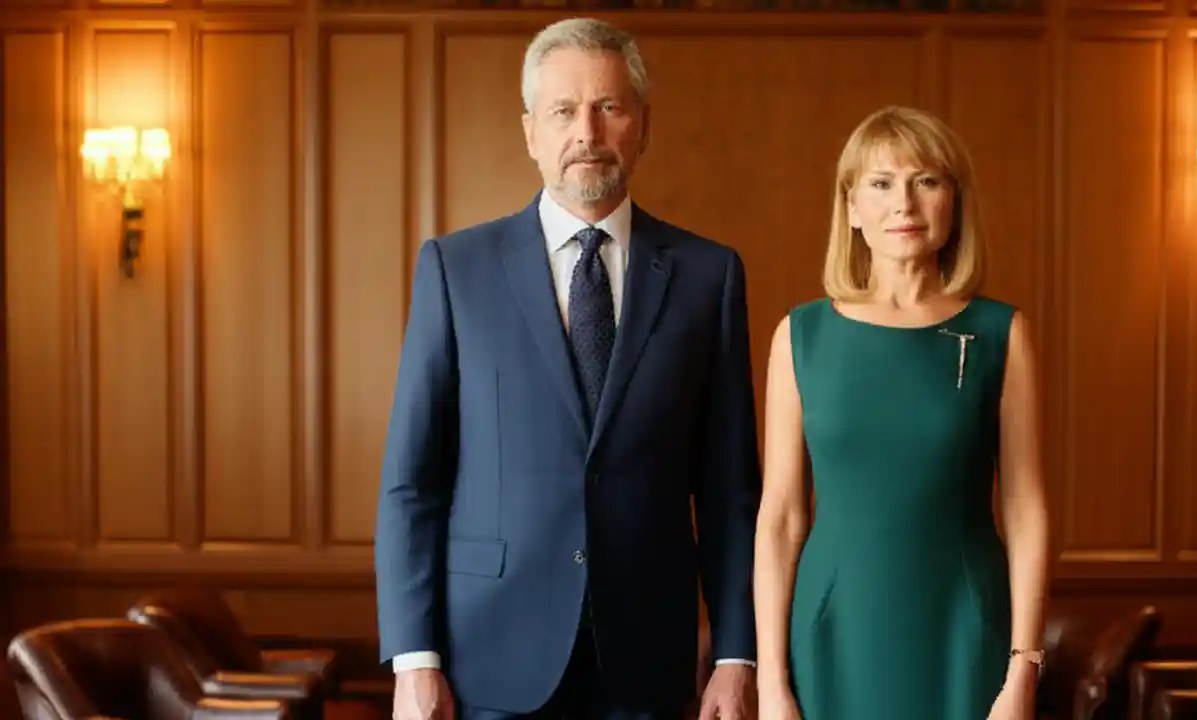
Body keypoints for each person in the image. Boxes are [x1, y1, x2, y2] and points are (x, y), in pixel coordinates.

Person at [374, 17, 761, 720]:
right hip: (485, 661)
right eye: (563, 111)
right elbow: (412, 482)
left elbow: (731, 491)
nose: (586, 130)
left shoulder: (709, 277)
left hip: (648, 657)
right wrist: (414, 660)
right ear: (531, 133)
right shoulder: (456, 271)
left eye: (608, 107)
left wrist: (738, 655)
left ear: (641, 125)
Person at [752, 105, 1050, 719]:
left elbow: (1025, 509)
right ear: (852, 208)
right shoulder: (800, 336)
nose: (904, 204)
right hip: (832, 632)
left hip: (964, 630)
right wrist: (771, 683)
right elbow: (780, 519)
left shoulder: (1001, 333)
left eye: (927, 181)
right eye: (881, 184)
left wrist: (1023, 668)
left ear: (954, 202)